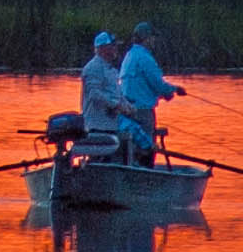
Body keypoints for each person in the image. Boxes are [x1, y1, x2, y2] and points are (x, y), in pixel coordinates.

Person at [115, 22, 183, 162]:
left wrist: (164, 93)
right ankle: (146, 171)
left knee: (132, 147)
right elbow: (158, 84)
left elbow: (141, 85)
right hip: (143, 112)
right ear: (145, 38)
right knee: (147, 148)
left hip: (127, 111)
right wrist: (175, 90)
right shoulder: (145, 58)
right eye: (152, 37)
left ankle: (131, 168)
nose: (154, 41)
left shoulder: (129, 56)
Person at [77, 31, 126, 149]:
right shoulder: (93, 68)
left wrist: (128, 106)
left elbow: (117, 94)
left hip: (110, 126)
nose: (116, 49)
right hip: (97, 127)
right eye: (113, 46)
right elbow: (94, 94)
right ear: (103, 48)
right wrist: (116, 105)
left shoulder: (111, 70)